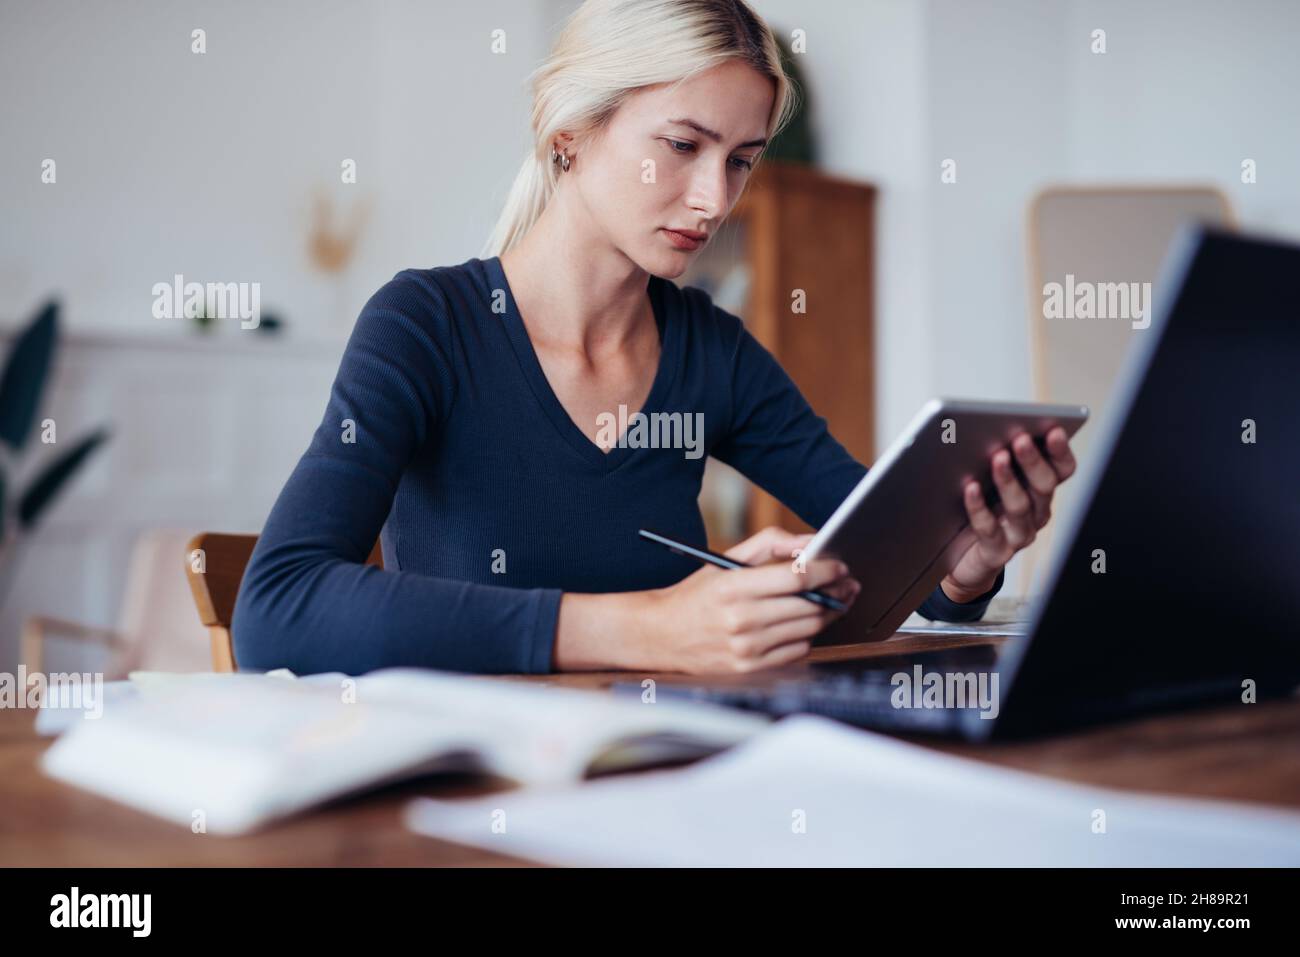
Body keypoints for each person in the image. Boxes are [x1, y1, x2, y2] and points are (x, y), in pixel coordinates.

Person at [232, 0, 1077, 677]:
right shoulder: (426, 326)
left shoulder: (714, 352)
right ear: (570, 133)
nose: (714, 198)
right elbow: (276, 609)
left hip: (661, 769)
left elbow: (880, 540)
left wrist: (962, 562)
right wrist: (651, 625)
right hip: (470, 794)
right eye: (681, 146)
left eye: (741, 160)